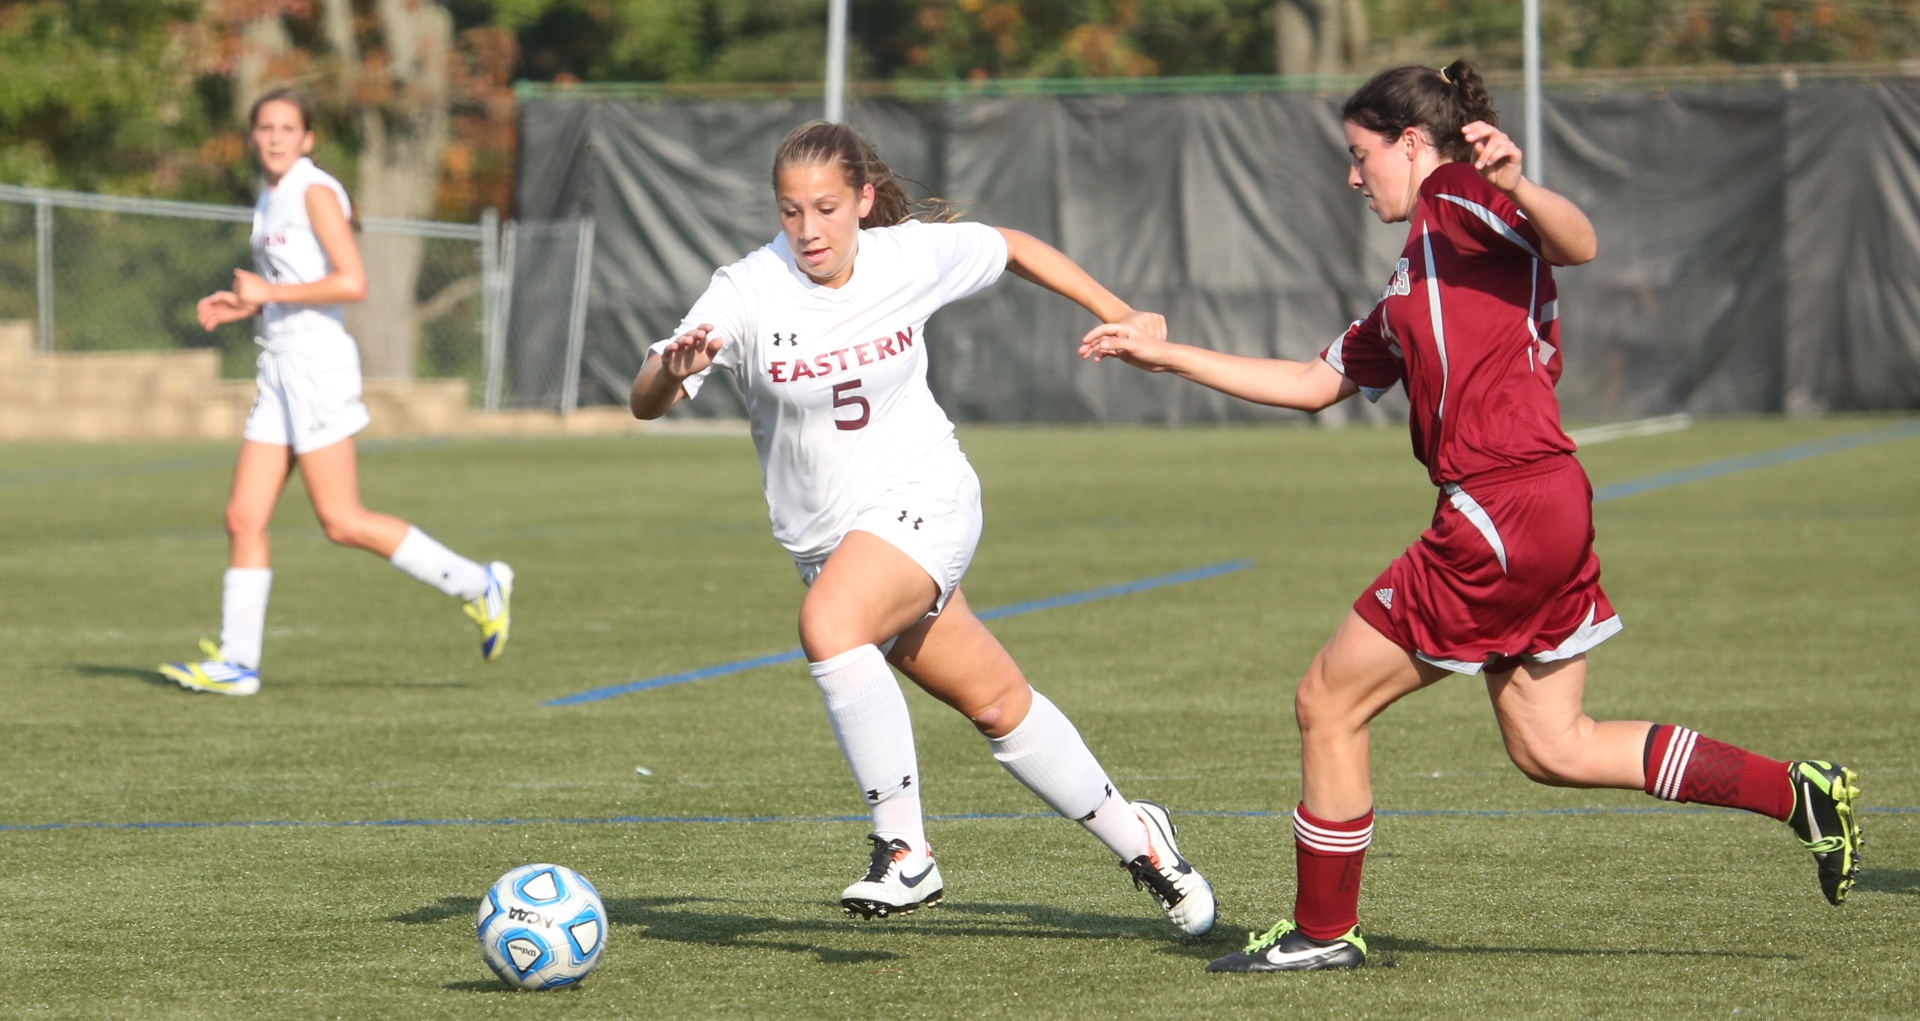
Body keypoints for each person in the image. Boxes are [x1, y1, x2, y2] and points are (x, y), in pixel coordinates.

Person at [1080, 60, 1859, 972]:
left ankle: (1323, 933)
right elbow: (1310, 383)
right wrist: (1168, 357)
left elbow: (1578, 244)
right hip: (1542, 503)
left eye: (1360, 153)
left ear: (1413, 144)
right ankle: (1796, 792)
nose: (1352, 173)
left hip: (1501, 505)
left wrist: (1518, 181)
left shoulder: (1455, 195)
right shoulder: (1416, 269)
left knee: (1327, 701)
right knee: (1552, 744)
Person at [631, 121, 1215, 934]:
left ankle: (904, 849)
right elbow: (644, 398)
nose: (809, 230)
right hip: (834, 546)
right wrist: (672, 369)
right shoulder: (746, 289)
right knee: (999, 704)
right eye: (792, 211)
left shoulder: (904, 256)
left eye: (828, 209)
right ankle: (1143, 839)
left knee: (830, 626)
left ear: (864, 201)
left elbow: (1011, 246)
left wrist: (1122, 314)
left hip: (926, 496)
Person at [160, 89, 512, 697]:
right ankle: (238, 665)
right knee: (243, 515)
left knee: (342, 521)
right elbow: (289, 283)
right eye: (264, 127)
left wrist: (267, 297)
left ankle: (479, 584)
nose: (274, 137)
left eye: (286, 128)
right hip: (279, 367)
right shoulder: (269, 197)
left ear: (308, 138)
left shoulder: (313, 190)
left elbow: (352, 281)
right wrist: (246, 303)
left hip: (318, 369)